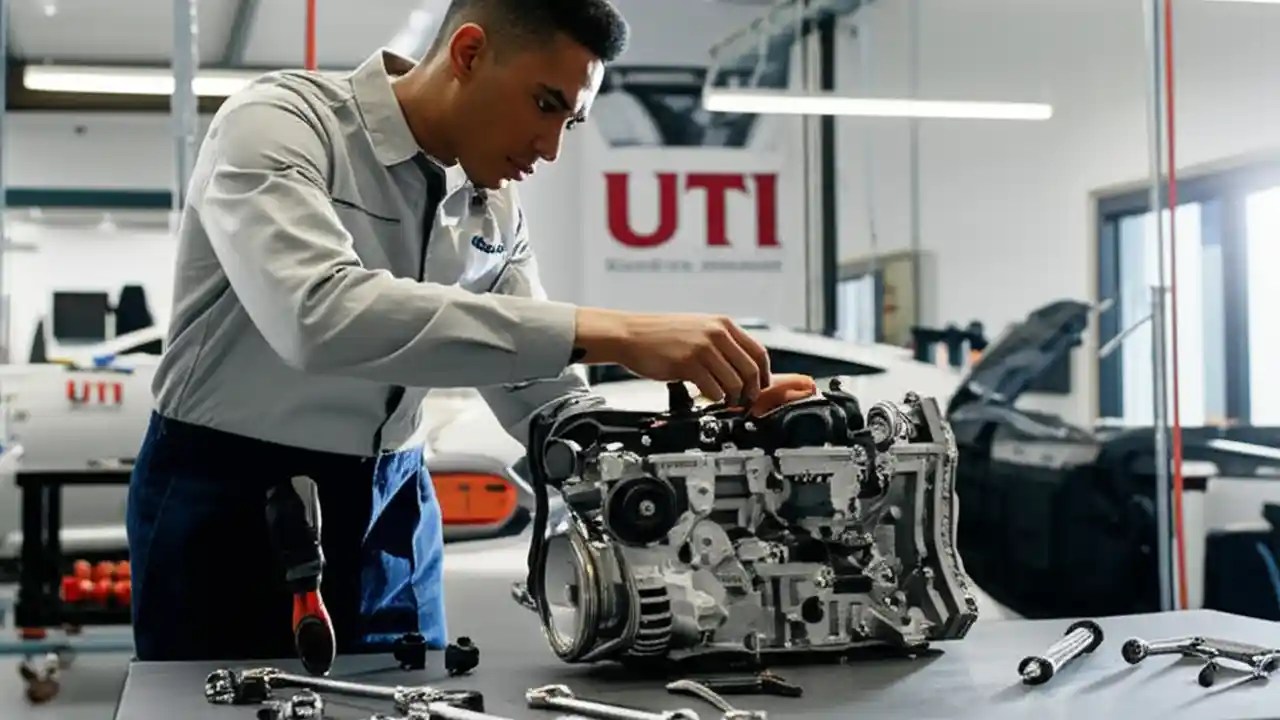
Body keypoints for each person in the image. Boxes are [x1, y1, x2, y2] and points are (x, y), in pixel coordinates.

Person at [125, 0, 775, 663]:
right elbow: (319, 317)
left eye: (570, 123)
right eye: (545, 104)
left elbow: (540, 392)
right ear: (468, 54)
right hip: (231, 500)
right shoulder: (280, 126)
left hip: (395, 502)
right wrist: (613, 331)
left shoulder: (491, 203)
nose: (550, 148)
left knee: (414, 699)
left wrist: (716, 446)